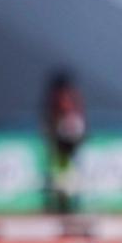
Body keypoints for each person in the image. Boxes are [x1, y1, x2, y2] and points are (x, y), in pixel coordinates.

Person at [41, 70, 87, 215]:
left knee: (71, 174)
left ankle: (71, 204)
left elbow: (79, 119)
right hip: (60, 143)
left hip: (70, 143)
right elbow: (51, 122)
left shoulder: (70, 98)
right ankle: (62, 204)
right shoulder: (58, 99)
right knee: (61, 175)